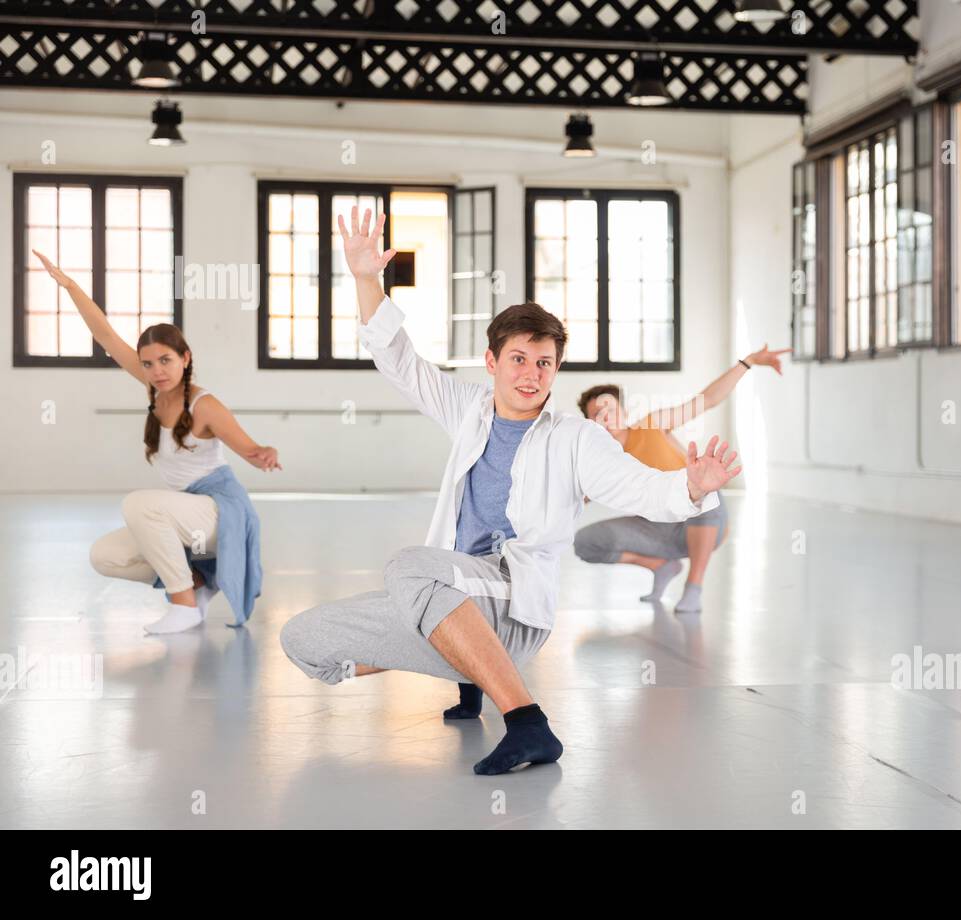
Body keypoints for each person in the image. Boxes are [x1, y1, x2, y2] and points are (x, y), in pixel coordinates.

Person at [279, 205, 742, 774]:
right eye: (518, 359)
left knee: (408, 569)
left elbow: (639, 487)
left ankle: (527, 722)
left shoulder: (577, 437)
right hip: (455, 591)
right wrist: (364, 277)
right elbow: (399, 360)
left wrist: (691, 487)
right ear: (491, 361)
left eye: (545, 363)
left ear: (557, 368)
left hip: (514, 605)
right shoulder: (467, 408)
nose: (531, 374)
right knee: (302, 639)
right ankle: (466, 667)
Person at [33, 250, 279, 635]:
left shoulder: (205, 405)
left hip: (219, 514)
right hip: (184, 517)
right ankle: (197, 583)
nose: (156, 371)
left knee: (139, 504)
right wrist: (70, 286)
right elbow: (106, 335)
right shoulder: (154, 390)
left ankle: (183, 604)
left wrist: (263, 454)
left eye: (165, 360)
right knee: (106, 555)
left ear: (185, 357)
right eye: (148, 364)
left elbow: (249, 449)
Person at [572, 343, 788, 611]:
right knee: (584, 542)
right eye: (597, 414)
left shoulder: (652, 425)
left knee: (702, 488)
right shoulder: (602, 463)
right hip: (658, 532)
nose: (606, 417)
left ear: (624, 412)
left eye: (611, 409)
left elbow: (707, 400)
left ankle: (693, 587)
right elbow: (575, 498)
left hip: (703, 522)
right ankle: (661, 567)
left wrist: (748, 361)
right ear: (590, 424)